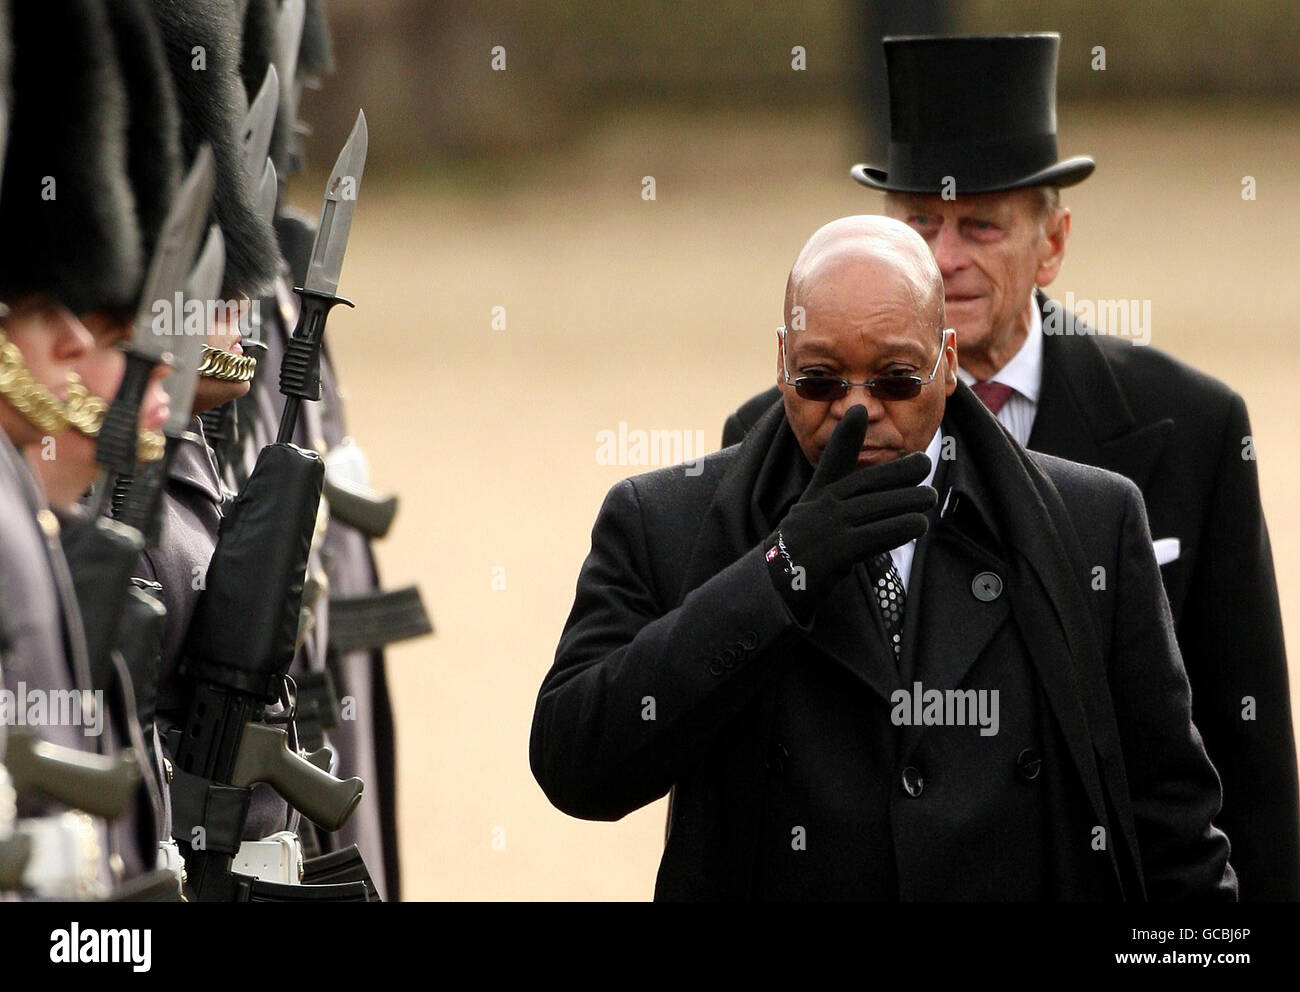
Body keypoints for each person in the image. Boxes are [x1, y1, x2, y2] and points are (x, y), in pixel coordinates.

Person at [720, 33, 1296, 901]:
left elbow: (1246, 753)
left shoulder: (1193, 430)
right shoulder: (775, 435)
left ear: (1052, 244)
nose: (943, 257)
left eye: (981, 225)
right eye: (919, 223)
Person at [533, 215, 1235, 901]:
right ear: (781, 362)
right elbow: (577, 765)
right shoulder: (664, 520)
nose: (857, 411)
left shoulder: (1092, 522)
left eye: (897, 378)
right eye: (820, 381)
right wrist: (778, 574)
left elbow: (1172, 822)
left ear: (949, 361)